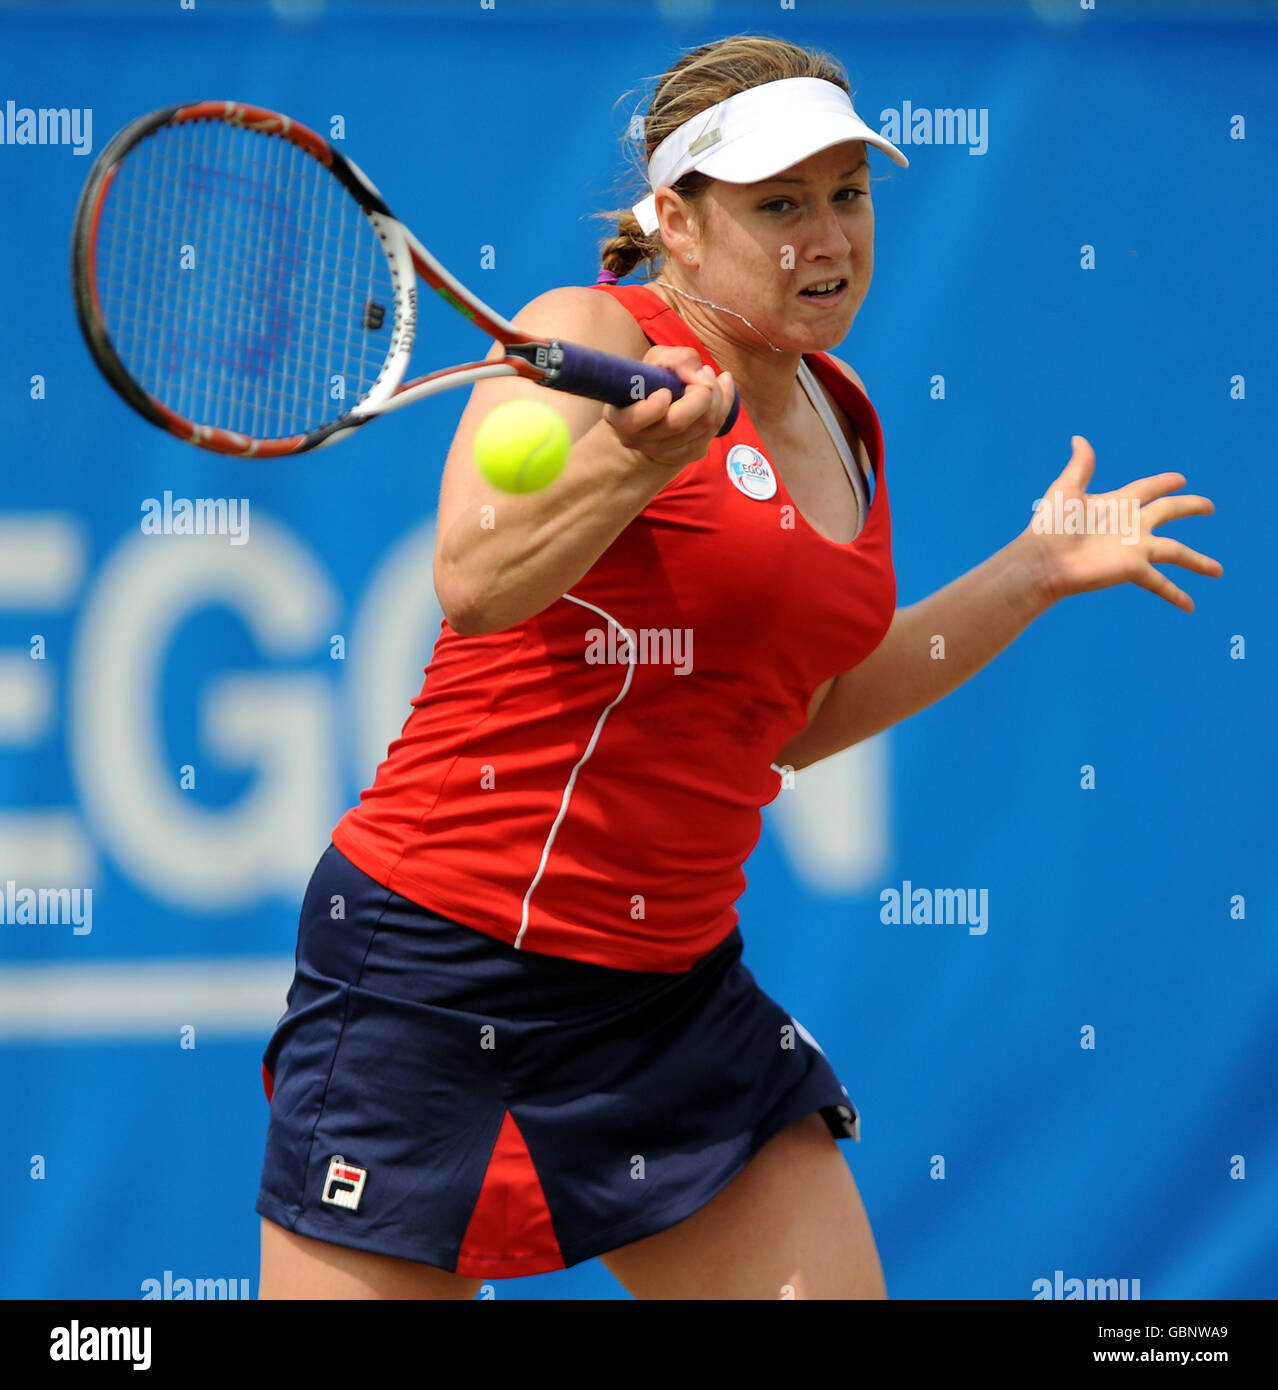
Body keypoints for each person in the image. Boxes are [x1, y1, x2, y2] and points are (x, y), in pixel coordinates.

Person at [256, 34, 1220, 1301]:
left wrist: (1030, 572)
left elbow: (797, 722)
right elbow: (474, 581)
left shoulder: (846, 412)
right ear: (677, 220)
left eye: (847, 195)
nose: (827, 237)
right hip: (434, 971)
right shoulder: (581, 330)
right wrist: (628, 465)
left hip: (666, 1001)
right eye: (779, 205)